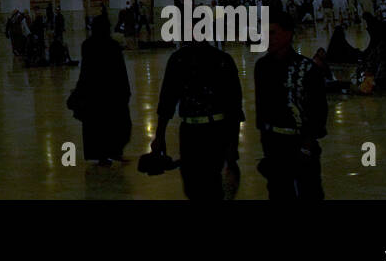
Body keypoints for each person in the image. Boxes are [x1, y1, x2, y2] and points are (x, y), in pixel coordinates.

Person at [151, 35, 243, 200]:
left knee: (214, 185)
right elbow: (167, 100)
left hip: (216, 131)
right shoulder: (178, 60)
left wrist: (232, 147)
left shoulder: (222, 60)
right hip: (190, 131)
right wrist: (159, 136)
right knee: (191, 185)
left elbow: (233, 106)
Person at [255, 11, 326, 199]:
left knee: (309, 192)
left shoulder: (307, 68)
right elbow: (262, 109)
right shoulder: (262, 67)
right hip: (275, 146)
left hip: (301, 144)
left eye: (272, 32)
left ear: (288, 34)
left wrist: (307, 146)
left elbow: (318, 111)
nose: (267, 38)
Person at [68, 16, 131, 166]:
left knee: (96, 126)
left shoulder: (87, 45)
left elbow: (85, 72)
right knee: (115, 123)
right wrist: (125, 91)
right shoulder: (113, 46)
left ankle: (102, 155)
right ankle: (115, 151)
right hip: (111, 93)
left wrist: (80, 89)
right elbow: (120, 71)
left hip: (94, 93)